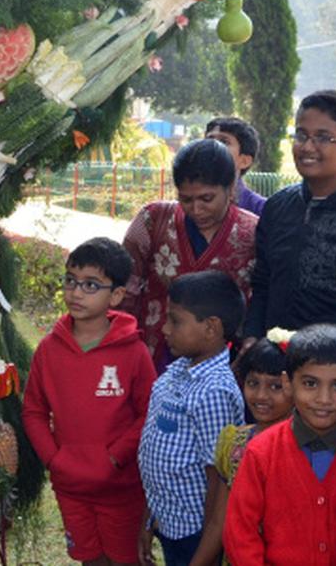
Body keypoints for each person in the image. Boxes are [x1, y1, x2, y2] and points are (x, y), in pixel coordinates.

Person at [21, 237, 156, 566]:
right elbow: (34, 411)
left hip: (121, 488)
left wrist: (114, 458)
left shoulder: (133, 352)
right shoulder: (49, 350)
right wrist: (54, 459)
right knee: (90, 559)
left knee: (125, 559)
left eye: (91, 285)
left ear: (117, 295)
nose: (76, 292)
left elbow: (147, 414)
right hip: (70, 487)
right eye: (71, 281)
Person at [223, 325, 336, 565]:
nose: (324, 399)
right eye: (310, 384)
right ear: (288, 384)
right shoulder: (261, 452)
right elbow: (240, 532)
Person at [137, 271, 245, 566]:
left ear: (211, 328)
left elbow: (218, 484)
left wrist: (202, 557)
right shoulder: (176, 372)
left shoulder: (214, 391)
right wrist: (149, 521)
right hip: (169, 520)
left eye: (175, 320)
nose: (165, 329)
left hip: (195, 533)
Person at [122, 139, 258, 373]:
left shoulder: (253, 233)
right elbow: (125, 288)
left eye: (207, 199)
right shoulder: (152, 220)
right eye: (186, 199)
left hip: (220, 369)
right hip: (151, 359)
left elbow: (259, 300)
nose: (196, 209)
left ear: (231, 188)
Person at [243, 90, 336, 344]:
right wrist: (252, 337)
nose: (307, 147)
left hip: (333, 362)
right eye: (301, 135)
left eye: (323, 138)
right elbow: (263, 281)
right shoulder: (277, 206)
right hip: (274, 355)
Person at [196, 339, 292, 565]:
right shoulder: (235, 442)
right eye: (253, 383)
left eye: (275, 386)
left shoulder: (304, 449)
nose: (261, 396)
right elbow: (219, 522)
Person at [205, 117, 266, 215]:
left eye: (224, 142)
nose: (212, 147)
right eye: (208, 141)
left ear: (244, 161)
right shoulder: (186, 206)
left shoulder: (262, 209)